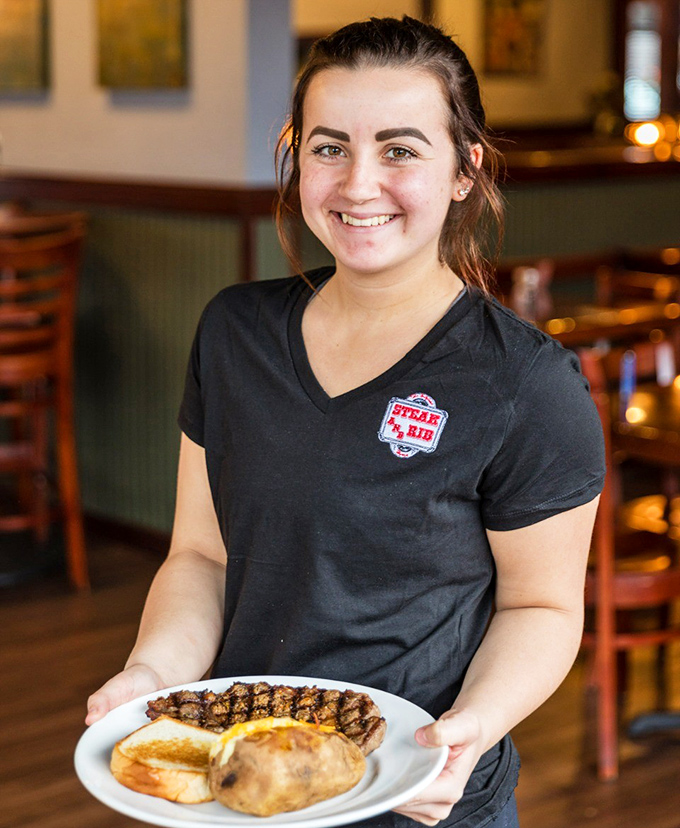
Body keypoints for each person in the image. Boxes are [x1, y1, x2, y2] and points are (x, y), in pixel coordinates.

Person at [86, 16, 605, 828]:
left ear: (466, 170)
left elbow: (542, 610)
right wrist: (150, 672)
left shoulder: (526, 382)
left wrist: (466, 736)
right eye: (329, 148)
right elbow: (199, 555)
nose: (359, 183)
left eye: (400, 149)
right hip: (244, 784)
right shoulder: (234, 331)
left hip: (417, 791)